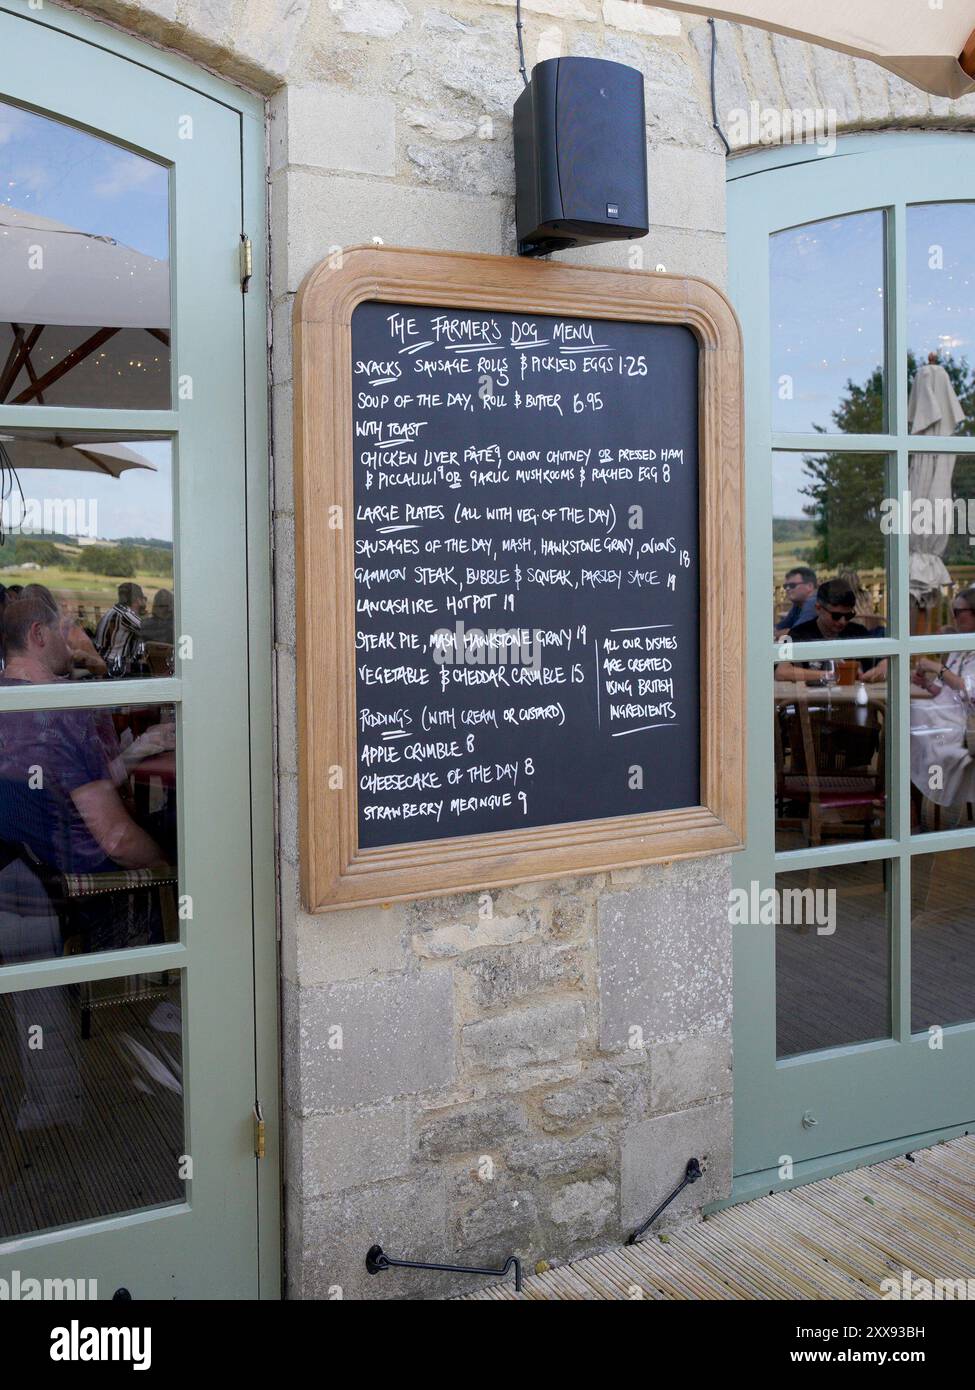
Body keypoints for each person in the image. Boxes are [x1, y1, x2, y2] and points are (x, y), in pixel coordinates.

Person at [910, 587, 975, 820]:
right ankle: (908, 803)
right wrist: (927, 683)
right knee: (904, 721)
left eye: (959, 613)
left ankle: (911, 806)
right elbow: (947, 691)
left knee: (912, 730)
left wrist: (936, 667)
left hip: (968, 724)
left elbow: (967, 689)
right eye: (953, 613)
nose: (955, 618)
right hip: (949, 713)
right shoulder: (962, 645)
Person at [776, 578, 888, 684]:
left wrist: (881, 669)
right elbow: (782, 672)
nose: (843, 621)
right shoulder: (799, 633)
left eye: (849, 615)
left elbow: (884, 661)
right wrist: (833, 675)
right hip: (814, 701)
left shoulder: (858, 632)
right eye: (836, 615)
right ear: (818, 609)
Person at [94, 581, 147, 677]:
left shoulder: (114, 610)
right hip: (114, 667)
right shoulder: (125, 614)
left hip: (102, 662)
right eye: (144, 598)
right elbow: (149, 632)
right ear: (138, 599)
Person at [775, 566, 818, 638]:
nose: (787, 589)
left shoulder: (814, 602)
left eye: (792, 585)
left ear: (810, 586)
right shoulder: (798, 604)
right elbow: (780, 626)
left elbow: (796, 633)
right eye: (786, 586)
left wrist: (777, 633)